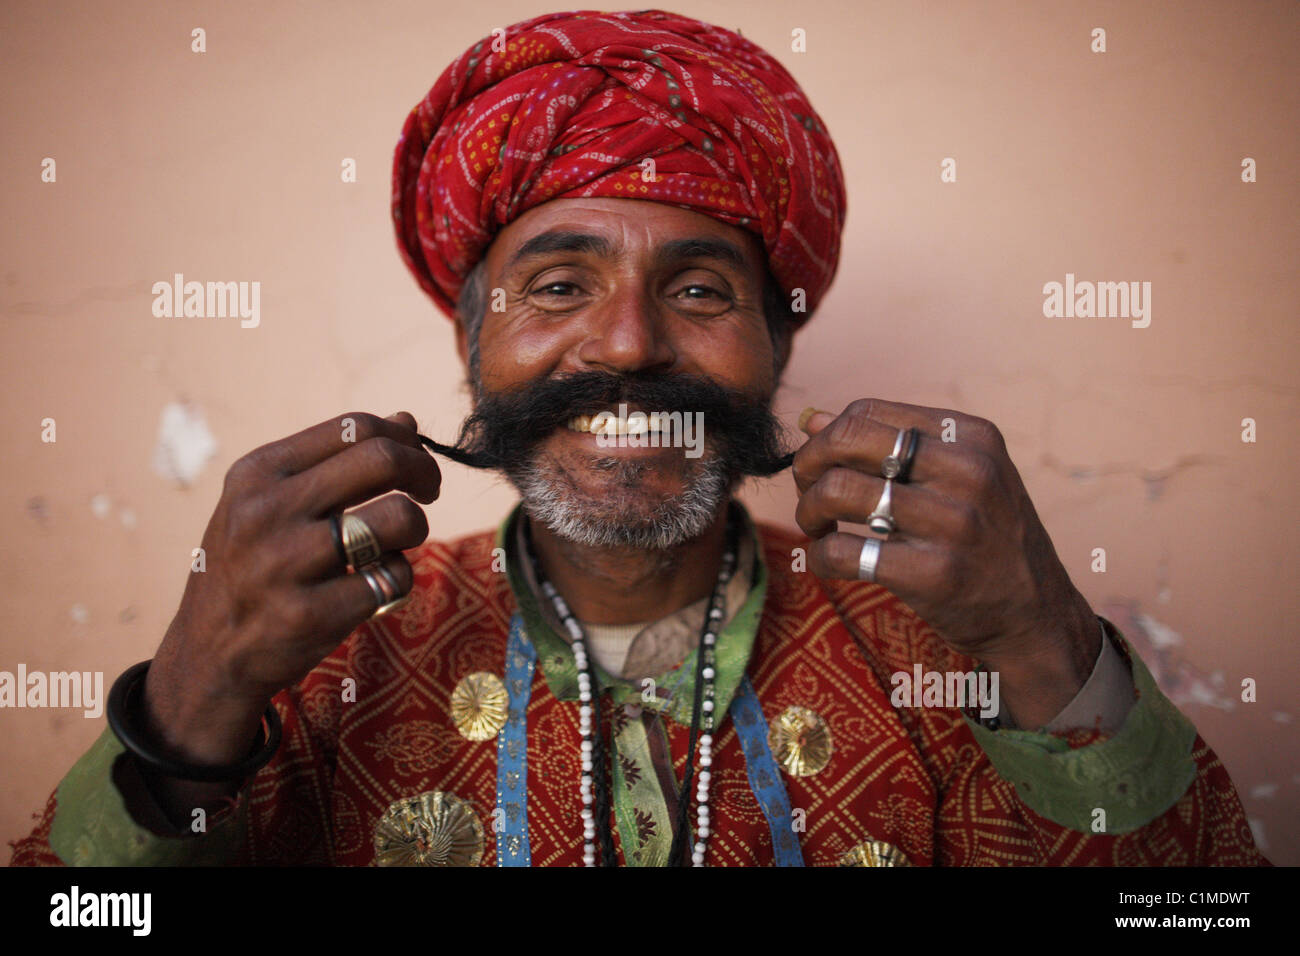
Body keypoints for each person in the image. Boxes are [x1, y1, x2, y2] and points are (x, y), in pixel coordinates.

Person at [11, 8, 1265, 867]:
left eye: (702, 289)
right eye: (555, 285)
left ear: (778, 346)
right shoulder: (315, 663)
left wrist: (1036, 631)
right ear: (471, 347)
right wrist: (192, 689)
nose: (624, 346)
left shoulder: (939, 655)